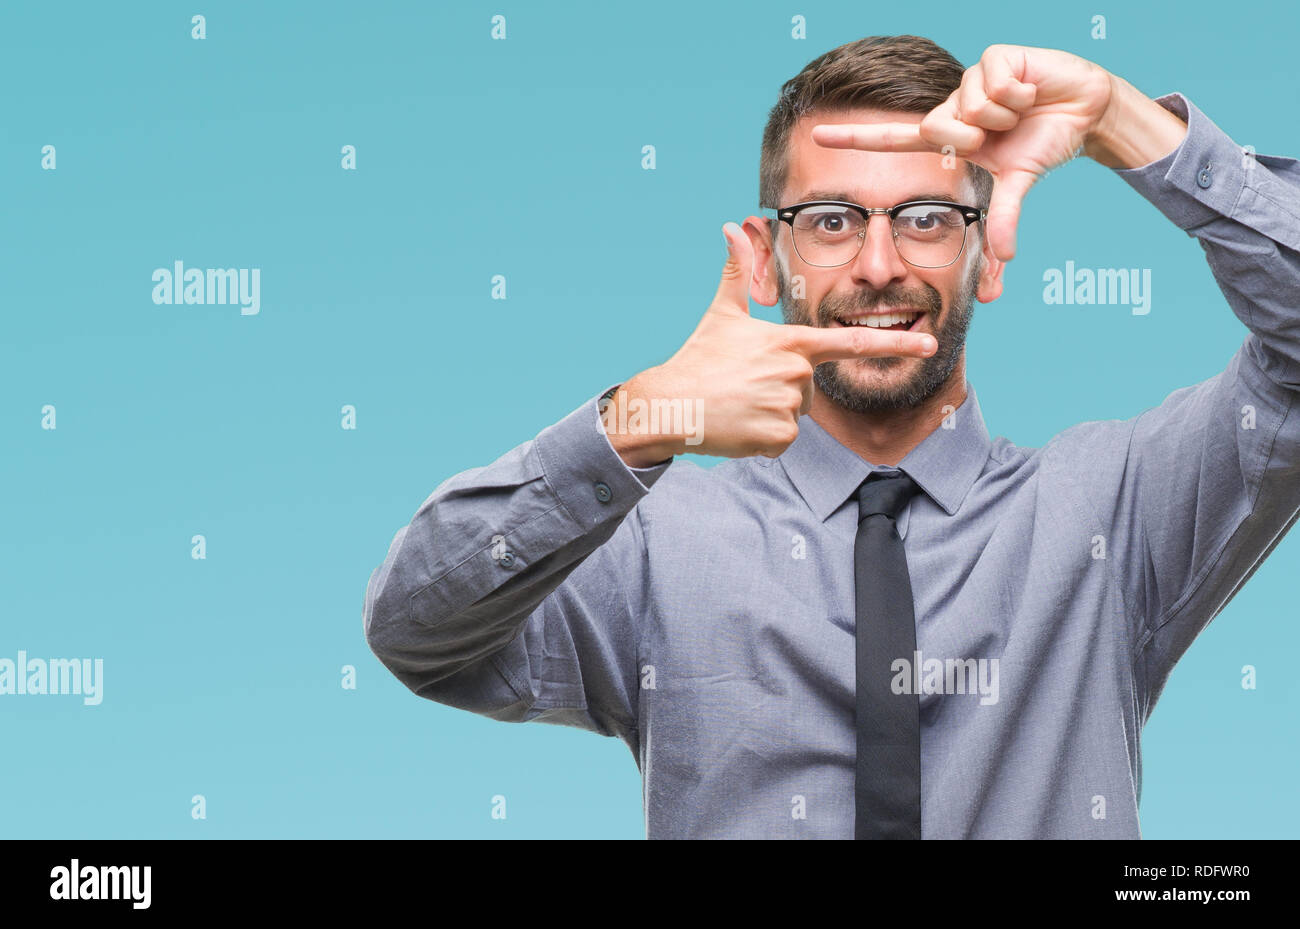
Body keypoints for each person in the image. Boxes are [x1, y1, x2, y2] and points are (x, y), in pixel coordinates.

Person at [362, 36, 1300, 838]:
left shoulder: (1114, 510)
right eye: (833, 221)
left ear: (987, 254)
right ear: (767, 259)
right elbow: (416, 631)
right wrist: (644, 419)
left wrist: (1127, 124)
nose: (881, 266)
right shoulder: (655, 541)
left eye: (928, 218)